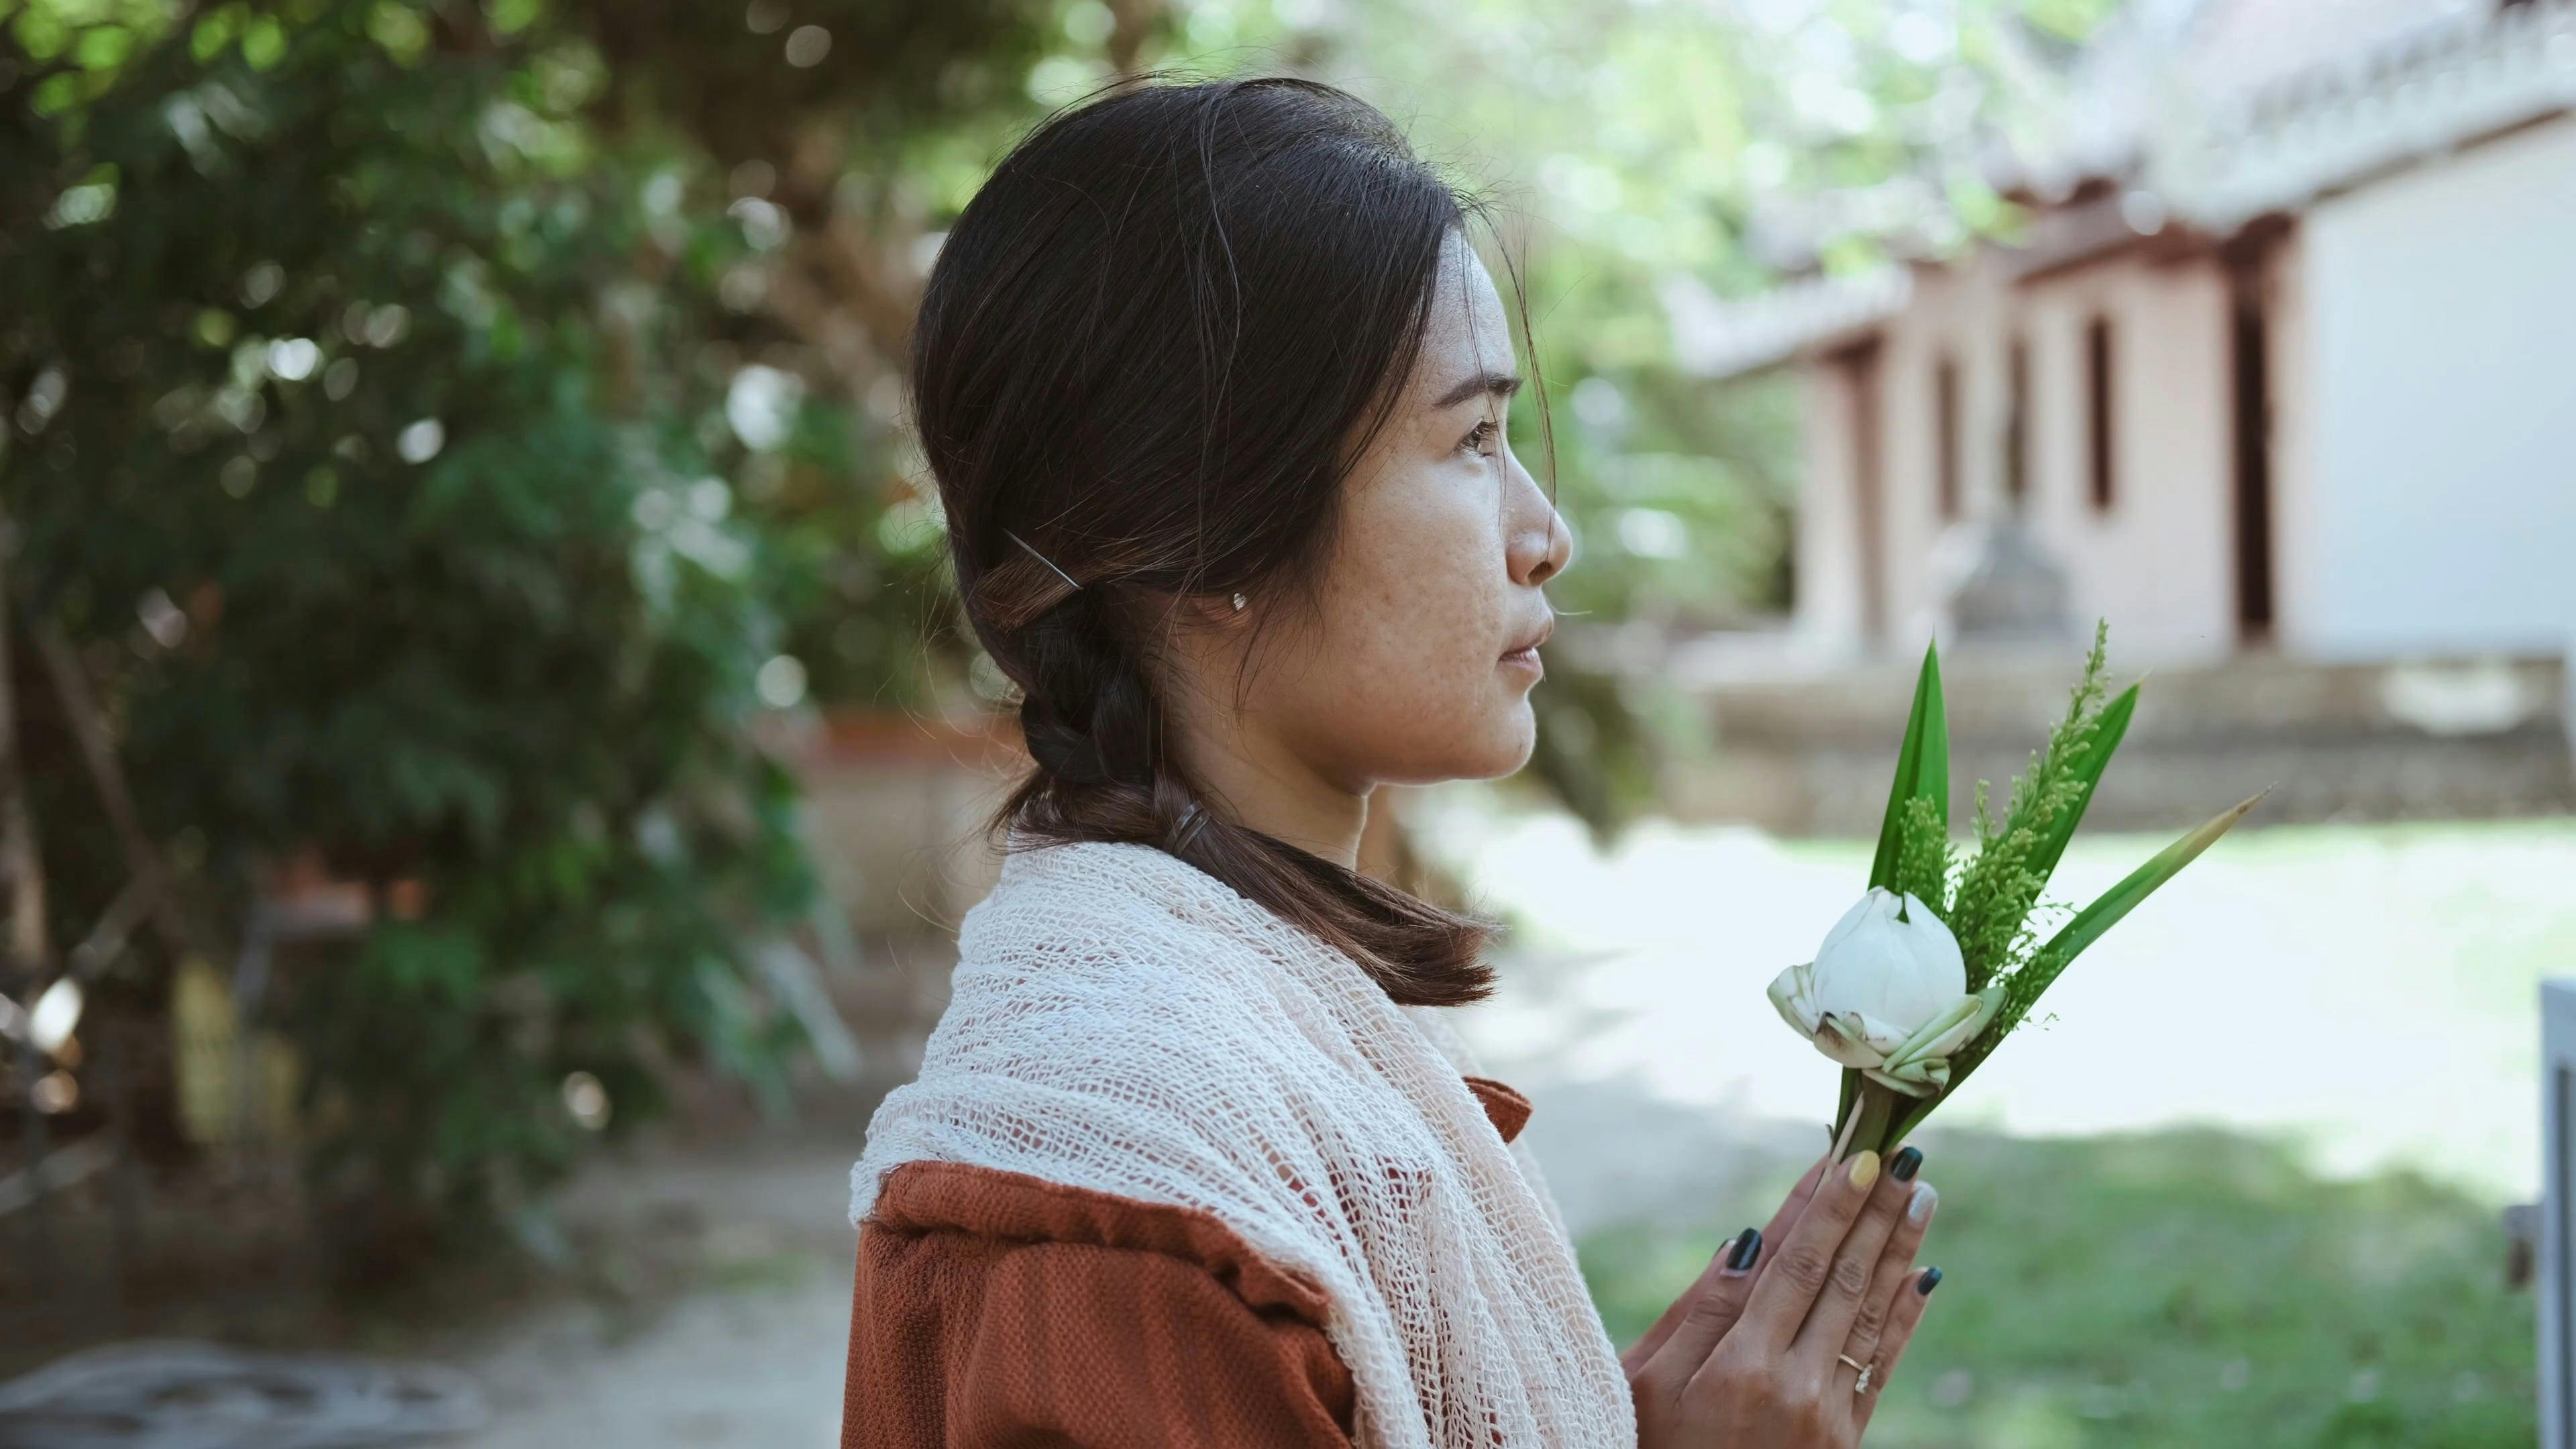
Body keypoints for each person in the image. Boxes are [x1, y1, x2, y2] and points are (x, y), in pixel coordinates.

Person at [840, 75, 1943, 1448]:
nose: (1545, 535)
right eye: (1473, 441)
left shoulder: (1271, 1065)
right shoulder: (1133, 1202)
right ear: (1215, 532)